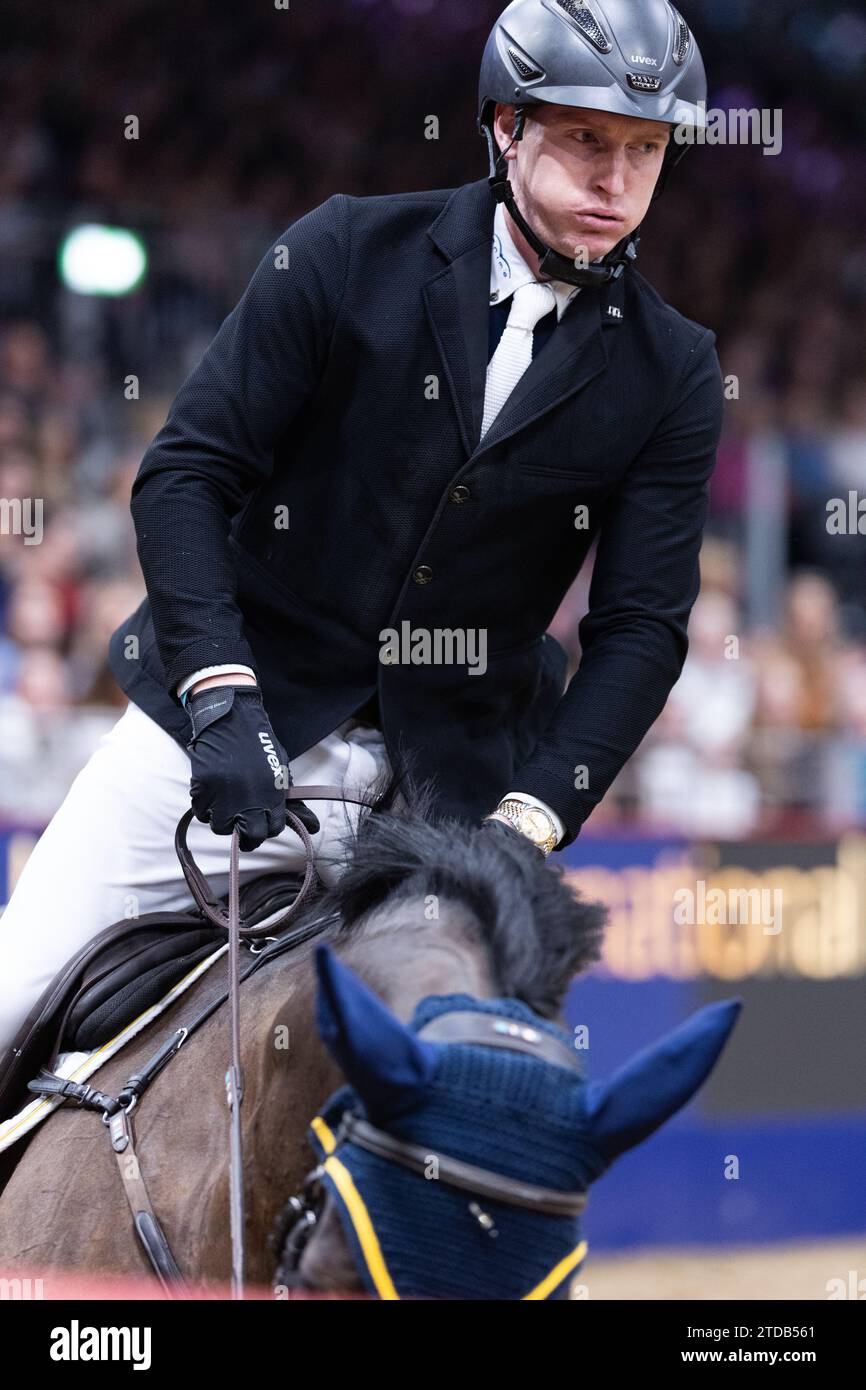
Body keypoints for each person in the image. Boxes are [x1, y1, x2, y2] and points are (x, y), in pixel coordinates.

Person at [0, 0, 722, 1056]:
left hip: (445, 814)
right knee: (12, 995)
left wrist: (526, 822)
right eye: (584, 138)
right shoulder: (343, 251)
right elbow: (187, 475)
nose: (616, 180)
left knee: (491, 1123)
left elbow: (641, 630)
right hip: (223, 732)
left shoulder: (674, 369)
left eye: (645, 150)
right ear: (504, 126)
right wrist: (218, 692)